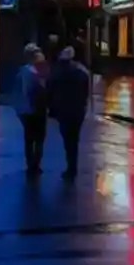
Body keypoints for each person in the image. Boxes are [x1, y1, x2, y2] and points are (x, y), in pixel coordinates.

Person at [48, 45, 91, 178]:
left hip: (64, 110)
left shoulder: (58, 72)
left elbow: (51, 90)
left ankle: (71, 166)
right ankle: (73, 166)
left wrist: (51, 108)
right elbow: (86, 91)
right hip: (77, 110)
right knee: (74, 138)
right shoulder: (82, 72)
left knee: (68, 139)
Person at [12, 43, 48, 173]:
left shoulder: (22, 72)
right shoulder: (37, 73)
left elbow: (17, 93)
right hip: (37, 110)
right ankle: (35, 165)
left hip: (28, 111)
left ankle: (31, 164)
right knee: (38, 139)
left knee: (30, 139)